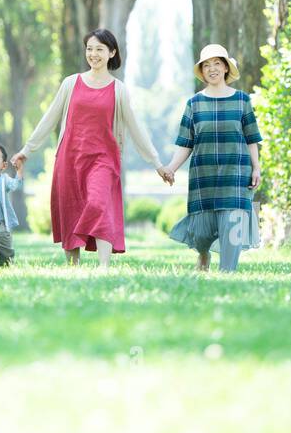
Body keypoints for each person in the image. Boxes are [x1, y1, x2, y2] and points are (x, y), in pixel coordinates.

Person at [11, 28, 172, 267]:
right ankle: (73, 267)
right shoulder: (71, 83)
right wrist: (27, 149)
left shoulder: (118, 89)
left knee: (99, 204)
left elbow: (136, 128)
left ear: (111, 53)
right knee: (70, 208)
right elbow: (50, 118)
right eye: (89, 49)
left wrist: (157, 163)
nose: (93, 54)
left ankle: (103, 267)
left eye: (99, 49)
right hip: (70, 156)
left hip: (103, 159)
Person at [160, 44, 263, 273]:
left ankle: (228, 272)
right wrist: (171, 168)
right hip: (203, 177)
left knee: (231, 224)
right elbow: (186, 143)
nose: (212, 69)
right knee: (203, 231)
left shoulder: (242, 101)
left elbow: (251, 138)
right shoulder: (194, 104)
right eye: (206, 65)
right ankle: (203, 254)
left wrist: (256, 168)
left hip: (236, 173)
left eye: (217, 63)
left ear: (226, 68)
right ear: (202, 71)